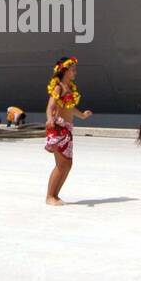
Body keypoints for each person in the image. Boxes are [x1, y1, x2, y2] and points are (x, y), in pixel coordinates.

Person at [44, 56, 92, 205]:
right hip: (58, 128)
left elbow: (70, 108)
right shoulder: (58, 87)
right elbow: (51, 107)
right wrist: (49, 118)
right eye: (72, 70)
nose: (75, 72)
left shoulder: (70, 88)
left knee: (67, 164)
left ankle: (55, 195)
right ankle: (50, 196)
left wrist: (82, 115)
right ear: (64, 71)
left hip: (67, 129)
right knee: (61, 164)